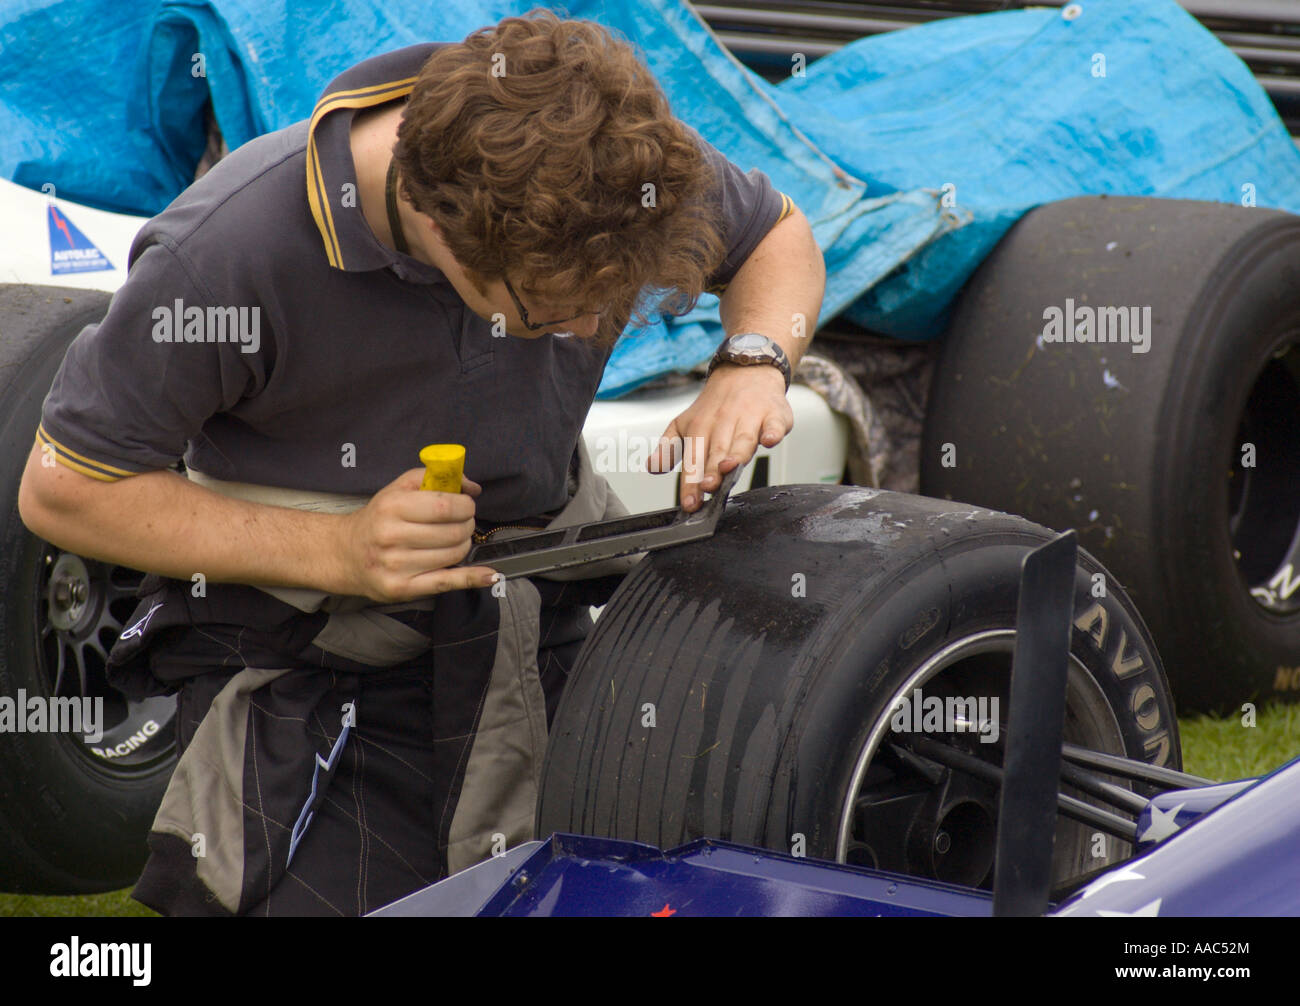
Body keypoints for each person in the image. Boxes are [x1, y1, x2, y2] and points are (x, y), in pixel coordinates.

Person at [17, 10, 825, 916]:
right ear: (443, 230)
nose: (595, 332)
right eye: (560, 311)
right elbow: (69, 489)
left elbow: (776, 234)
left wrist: (753, 359)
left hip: (540, 599)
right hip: (312, 651)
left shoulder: (600, 163)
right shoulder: (223, 257)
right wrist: (342, 550)